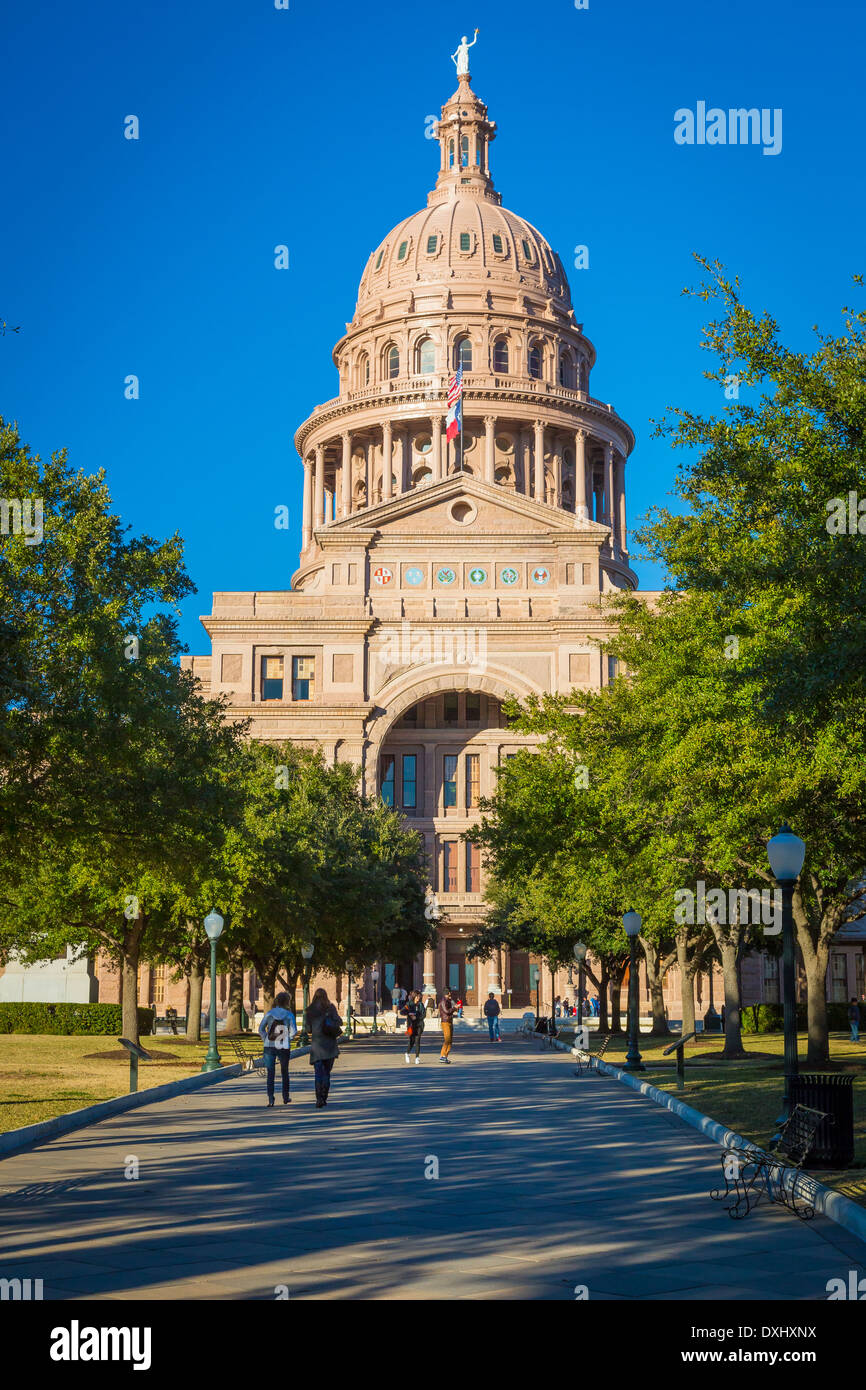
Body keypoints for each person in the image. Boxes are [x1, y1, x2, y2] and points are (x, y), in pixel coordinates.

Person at [258, 992, 298, 1107]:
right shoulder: (289, 1015)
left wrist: (266, 1038)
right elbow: (294, 1031)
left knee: (270, 1072)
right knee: (284, 1072)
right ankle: (285, 1097)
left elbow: (261, 1029)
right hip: (283, 1046)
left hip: (269, 1046)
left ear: (276, 1001)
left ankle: (271, 1098)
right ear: (287, 1002)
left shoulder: (269, 1013)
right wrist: (288, 1039)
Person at [307, 986, 342, 1108]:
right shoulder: (330, 1008)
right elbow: (339, 1022)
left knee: (318, 1074)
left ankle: (318, 1099)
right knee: (326, 1073)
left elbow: (308, 1029)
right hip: (330, 1046)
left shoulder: (309, 1010)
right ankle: (324, 1097)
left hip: (317, 1046)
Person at [400, 989, 425, 1063]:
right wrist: (409, 1013)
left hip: (419, 1025)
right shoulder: (409, 1004)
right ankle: (407, 1053)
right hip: (411, 1026)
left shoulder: (421, 1005)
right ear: (414, 997)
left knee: (417, 1041)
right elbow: (402, 1011)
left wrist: (416, 1017)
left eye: (419, 997)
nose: (418, 998)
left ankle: (417, 1057)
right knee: (411, 1041)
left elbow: (424, 1015)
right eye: (417, 997)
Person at [438, 987, 455, 1063]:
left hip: (449, 1021)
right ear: (448, 993)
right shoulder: (443, 1001)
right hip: (445, 1022)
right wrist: (454, 1008)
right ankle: (442, 1056)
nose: (451, 993)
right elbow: (447, 1011)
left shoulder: (448, 1001)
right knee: (447, 1039)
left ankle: (445, 1056)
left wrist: (454, 1007)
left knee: (450, 1041)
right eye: (450, 992)